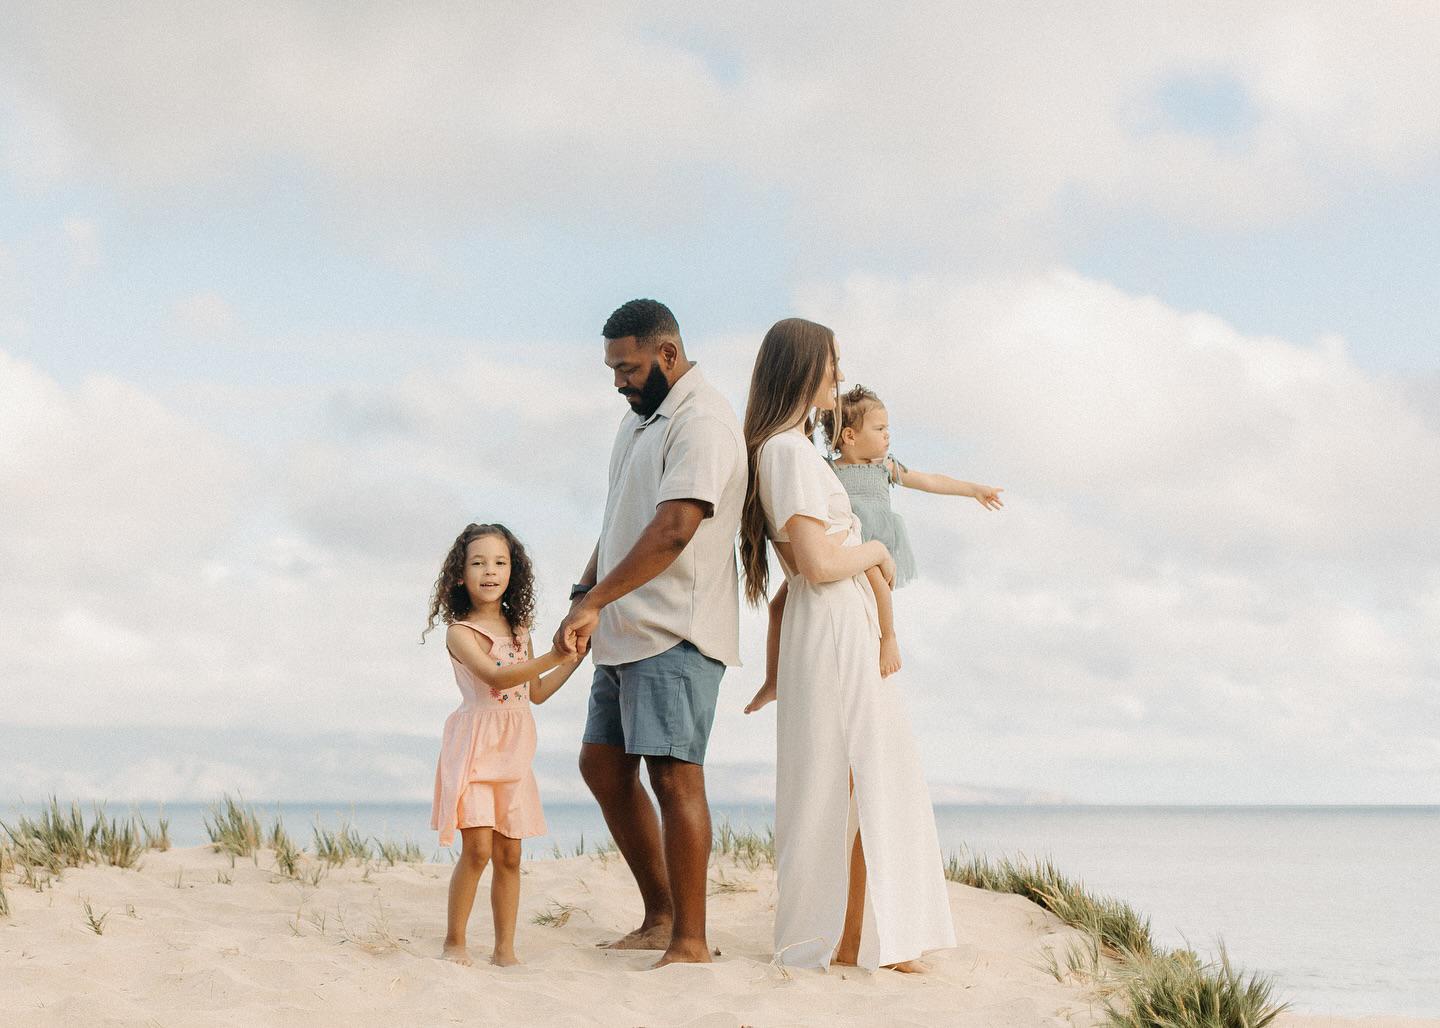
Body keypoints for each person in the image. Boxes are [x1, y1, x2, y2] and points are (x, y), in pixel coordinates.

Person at [738, 318, 955, 973]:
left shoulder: (786, 450)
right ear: (804, 368)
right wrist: (878, 548)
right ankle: (854, 944)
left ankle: (856, 941)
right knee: (859, 775)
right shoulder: (789, 453)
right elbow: (816, 563)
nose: (839, 374)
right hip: (833, 620)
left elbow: (806, 564)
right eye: (832, 363)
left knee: (857, 778)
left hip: (833, 621)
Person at [555, 299, 745, 968]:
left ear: (667, 354)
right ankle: (660, 917)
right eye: (612, 369)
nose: (618, 381)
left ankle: (690, 942)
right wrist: (585, 595)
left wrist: (598, 598)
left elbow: (674, 528)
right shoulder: (640, 420)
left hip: (676, 630)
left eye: (628, 367)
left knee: (673, 776)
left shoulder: (704, 421)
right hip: (622, 623)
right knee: (602, 766)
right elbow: (620, 525)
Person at [746, 384, 1003, 709]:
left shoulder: (885, 467)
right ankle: (772, 679)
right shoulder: (826, 468)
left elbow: (930, 480)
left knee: (878, 586)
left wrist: (973, 489)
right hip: (837, 549)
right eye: (880, 428)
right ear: (850, 436)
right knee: (778, 606)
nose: (887, 436)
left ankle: (889, 638)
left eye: (888, 429)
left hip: (869, 545)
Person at [426, 523, 583, 966]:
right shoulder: (460, 631)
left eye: (500, 562)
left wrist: (572, 659)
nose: (489, 571)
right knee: (477, 850)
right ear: (460, 574)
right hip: (475, 749)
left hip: (514, 754)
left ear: (514, 571)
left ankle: (504, 950)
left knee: (510, 854)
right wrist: (553, 653)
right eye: (478, 563)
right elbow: (495, 678)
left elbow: (535, 692)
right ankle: (454, 942)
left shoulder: (520, 628)